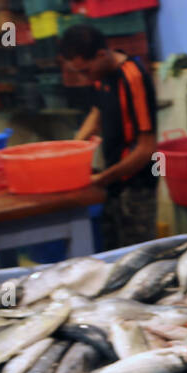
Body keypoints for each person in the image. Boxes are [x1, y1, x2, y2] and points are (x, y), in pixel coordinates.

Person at [58, 23, 158, 249]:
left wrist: (102, 179)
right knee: (112, 252)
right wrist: (67, 153)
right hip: (112, 181)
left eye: (85, 71)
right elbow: (96, 114)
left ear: (102, 55)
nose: (85, 79)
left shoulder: (133, 77)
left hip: (136, 186)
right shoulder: (99, 76)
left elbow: (146, 148)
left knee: (136, 254)